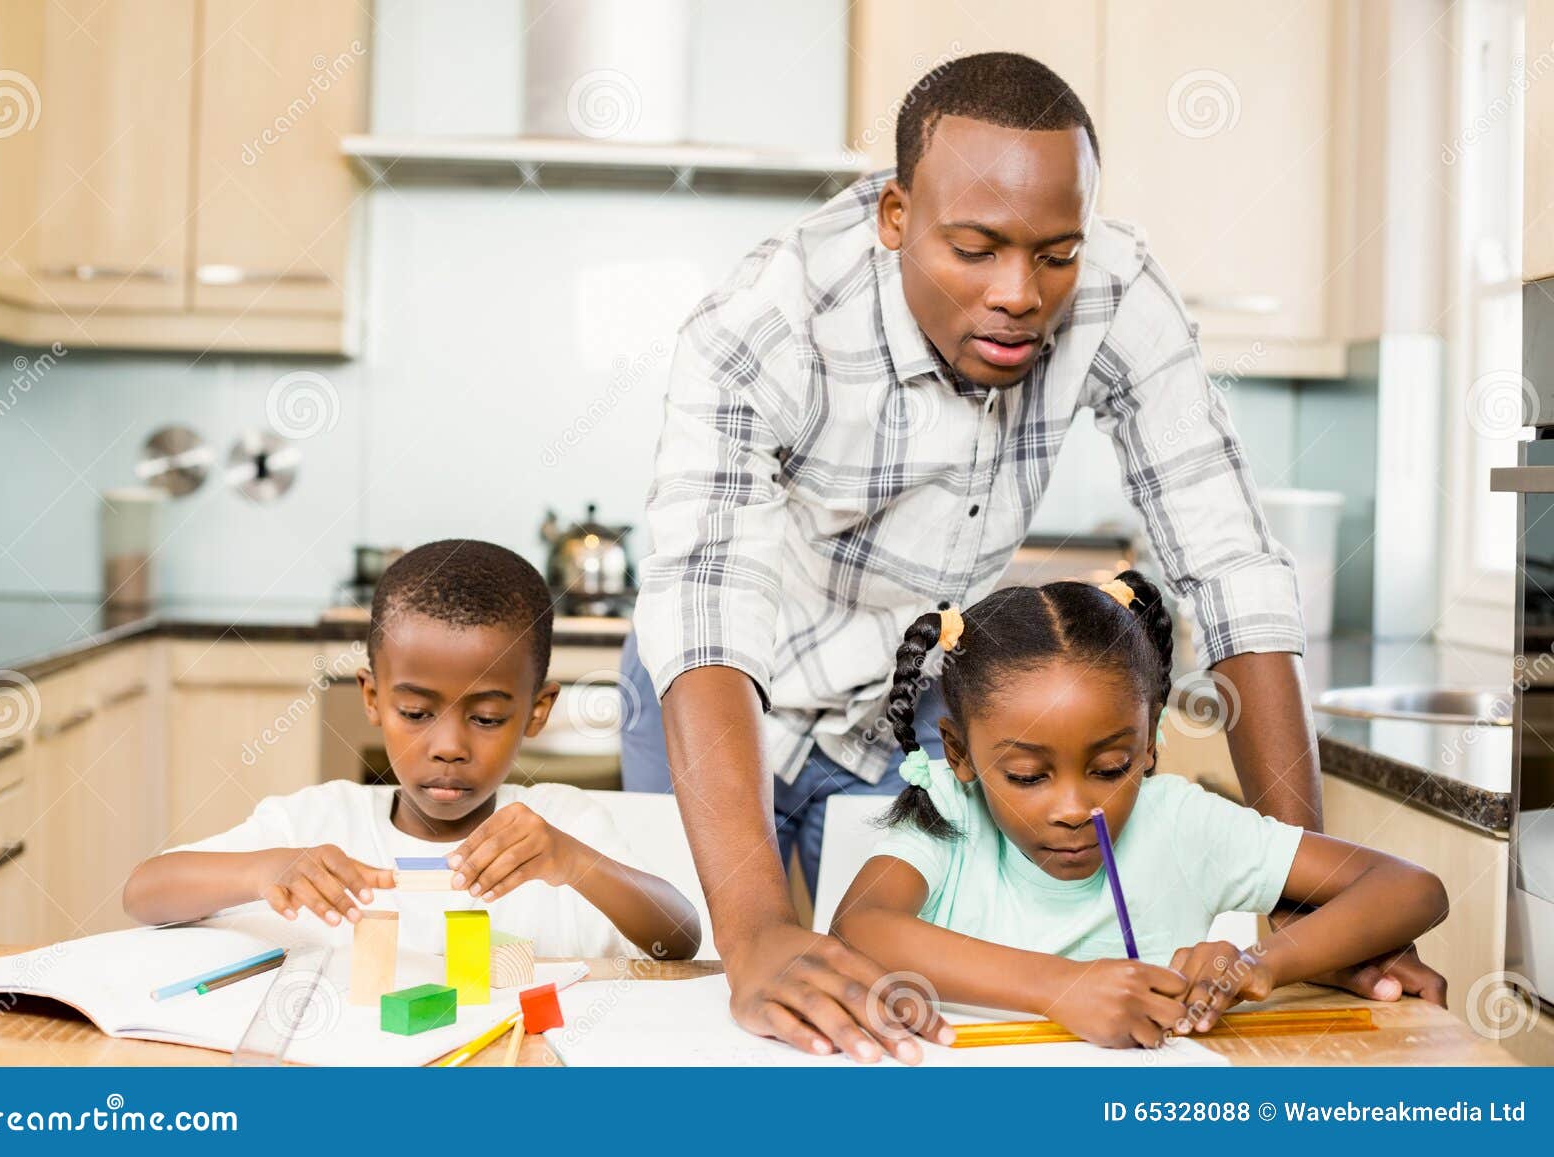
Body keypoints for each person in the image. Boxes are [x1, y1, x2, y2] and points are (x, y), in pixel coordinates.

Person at [624, 51, 1443, 1062]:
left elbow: (1229, 563)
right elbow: (705, 605)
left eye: (1056, 253)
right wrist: (752, 930)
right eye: (974, 249)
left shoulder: (1117, 289)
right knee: (716, 997)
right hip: (725, 701)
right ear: (895, 216)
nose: (1020, 293)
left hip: (900, 715)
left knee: (881, 1029)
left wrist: (1305, 912)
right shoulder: (767, 320)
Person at [830, 573, 1449, 1049]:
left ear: (1149, 741)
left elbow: (1411, 889)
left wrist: (1262, 964)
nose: (1075, 808)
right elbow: (858, 926)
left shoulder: (1181, 822)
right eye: (1027, 776)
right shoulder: (949, 812)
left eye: (1108, 769)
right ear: (960, 753)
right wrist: (1060, 986)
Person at [124, 539, 700, 962]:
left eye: (487, 718)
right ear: (373, 699)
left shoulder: (561, 826)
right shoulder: (317, 821)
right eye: (417, 714)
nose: (448, 747)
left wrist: (575, 862)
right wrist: (262, 869)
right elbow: (142, 894)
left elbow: (679, 940)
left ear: (537, 711)